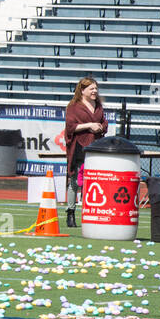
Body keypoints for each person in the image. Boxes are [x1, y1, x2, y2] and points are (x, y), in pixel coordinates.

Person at [64, 77, 108, 228]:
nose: (95, 91)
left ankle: (90, 213)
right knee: (75, 181)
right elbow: (70, 127)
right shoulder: (74, 107)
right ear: (82, 90)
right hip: (79, 147)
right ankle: (70, 212)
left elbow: (104, 123)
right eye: (91, 89)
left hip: (95, 147)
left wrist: (100, 127)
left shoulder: (98, 106)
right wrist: (89, 125)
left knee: (92, 181)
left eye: (96, 88)